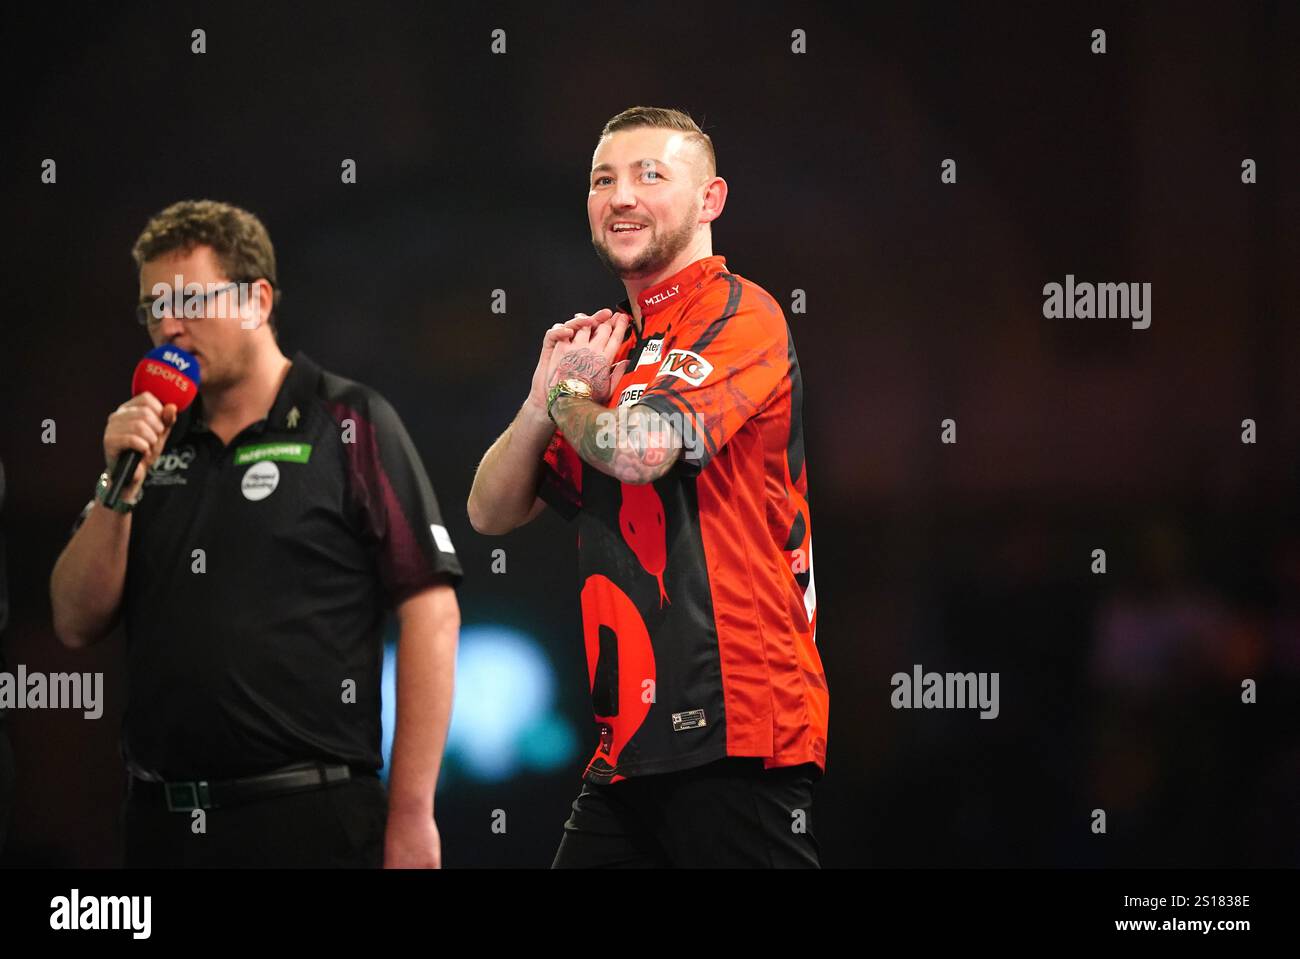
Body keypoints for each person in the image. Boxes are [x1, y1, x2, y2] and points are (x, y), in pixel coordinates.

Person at [50, 200, 461, 868]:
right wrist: (117, 486)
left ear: (256, 299)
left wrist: (413, 814)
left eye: (189, 299)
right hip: (162, 823)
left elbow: (432, 613)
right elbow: (72, 619)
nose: (168, 325)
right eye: (153, 306)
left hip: (310, 817)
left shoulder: (349, 419)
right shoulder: (148, 442)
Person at [468, 107, 827, 867]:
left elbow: (641, 451)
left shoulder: (743, 314)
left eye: (649, 175)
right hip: (629, 743)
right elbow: (489, 510)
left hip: (738, 728)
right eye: (603, 179)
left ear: (710, 200)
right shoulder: (615, 353)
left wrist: (570, 399)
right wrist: (544, 401)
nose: (620, 196)